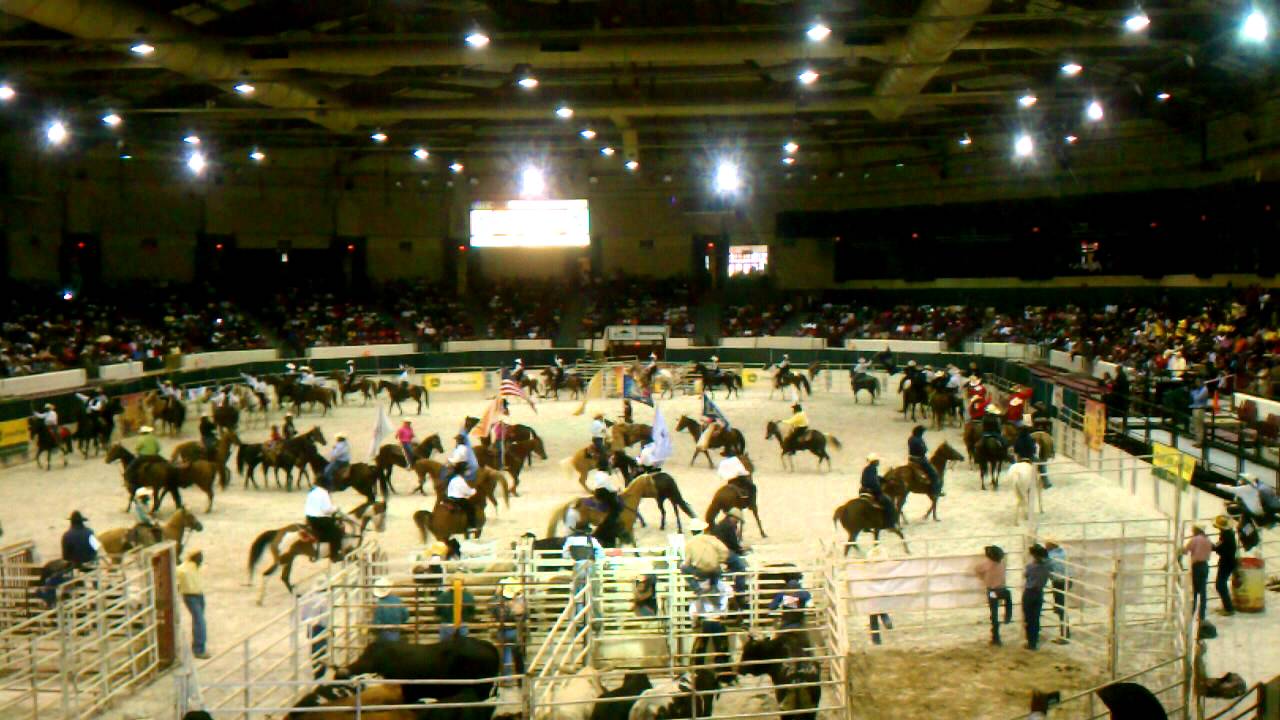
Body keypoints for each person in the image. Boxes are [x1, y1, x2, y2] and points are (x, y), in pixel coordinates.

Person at [689, 578, 733, 676]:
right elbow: (729, 600)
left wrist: (694, 621)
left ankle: (698, 671)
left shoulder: (701, 586)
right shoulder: (724, 586)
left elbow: (694, 605)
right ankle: (723, 672)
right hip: (715, 620)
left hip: (707, 620)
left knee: (702, 648)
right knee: (721, 648)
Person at [711, 508, 751, 606]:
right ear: (733, 517)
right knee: (741, 568)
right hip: (723, 552)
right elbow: (733, 544)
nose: (737, 522)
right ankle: (740, 594)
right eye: (737, 520)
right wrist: (741, 550)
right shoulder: (729, 526)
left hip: (717, 551)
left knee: (734, 566)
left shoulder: (722, 524)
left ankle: (731, 584)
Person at [973, 545, 1012, 645]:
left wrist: (983, 578)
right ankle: (1008, 615)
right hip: (1002, 590)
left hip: (993, 592)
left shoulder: (986, 564)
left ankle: (996, 637)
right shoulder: (1002, 563)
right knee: (1008, 597)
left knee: (994, 613)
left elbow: (977, 569)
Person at [682, 519, 730, 592]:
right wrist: (720, 561)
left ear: (692, 532)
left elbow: (687, 561)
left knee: (684, 568)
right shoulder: (712, 539)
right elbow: (724, 550)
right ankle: (714, 586)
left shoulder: (690, 543)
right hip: (715, 570)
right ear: (703, 530)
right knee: (715, 568)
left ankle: (696, 588)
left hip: (701, 572)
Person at [177, 550, 209, 659]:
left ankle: (198, 646)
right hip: (193, 595)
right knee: (200, 621)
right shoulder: (188, 568)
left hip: (194, 595)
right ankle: (199, 649)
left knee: (198, 621)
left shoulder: (185, 567)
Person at [492, 578, 527, 675]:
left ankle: (507, 678)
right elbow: (526, 614)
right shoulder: (520, 599)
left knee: (506, 655)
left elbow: (494, 613)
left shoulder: (498, 600)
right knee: (519, 655)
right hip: (517, 630)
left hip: (503, 630)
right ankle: (521, 678)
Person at [304, 479, 344, 562]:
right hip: (319, 519)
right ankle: (334, 555)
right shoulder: (324, 493)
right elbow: (327, 509)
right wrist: (336, 508)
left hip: (309, 518)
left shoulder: (312, 491)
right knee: (337, 532)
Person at [298, 587, 330, 678]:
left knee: (314, 650)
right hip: (321, 627)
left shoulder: (309, 598)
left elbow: (303, 616)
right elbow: (325, 618)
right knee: (321, 650)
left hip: (311, 626)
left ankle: (316, 670)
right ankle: (320, 672)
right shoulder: (324, 600)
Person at [1183, 525, 1213, 621]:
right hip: (1205, 566)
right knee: (1203, 591)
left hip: (1196, 566)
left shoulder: (1195, 539)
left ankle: (1192, 611)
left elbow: (1185, 550)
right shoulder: (1208, 540)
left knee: (1195, 591)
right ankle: (1202, 615)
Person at [1023, 544, 1050, 650]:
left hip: (1029, 593)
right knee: (1036, 617)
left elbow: (1025, 575)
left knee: (1029, 618)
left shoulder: (1030, 567)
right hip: (1039, 593)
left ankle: (1031, 642)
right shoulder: (1046, 567)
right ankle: (1034, 639)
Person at [434, 576, 477, 640]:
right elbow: (472, 613)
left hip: (446, 626)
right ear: (463, 583)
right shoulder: (468, 596)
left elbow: (437, 613)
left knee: (445, 647)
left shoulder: (443, 596)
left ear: (451, 583)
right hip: (462, 626)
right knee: (461, 647)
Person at [860, 453, 896, 528]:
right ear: (874, 461)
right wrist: (879, 490)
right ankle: (889, 524)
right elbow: (873, 481)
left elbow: (876, 477)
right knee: (888, 502)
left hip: (863, 490)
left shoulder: (867, 469)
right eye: (877, 461)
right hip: (872, 491)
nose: (878, 462)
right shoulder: (873, 469)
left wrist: (884, 480)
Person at [1045, 538, 1070, 643]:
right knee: (1061, 606)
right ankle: (1065, 633)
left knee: (1060, 608)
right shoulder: (1063, 552)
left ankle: (1064, 635)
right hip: (1067, 579)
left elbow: (1047, 569)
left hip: (1059, 581)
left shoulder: (1050, 556)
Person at [1212, 516, 1238, 616]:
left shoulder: (1226, 535)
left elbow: (1222, 548)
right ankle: (1228, 606)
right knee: (1221, 584)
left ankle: (1229, 608)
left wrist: (1214, 548)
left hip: (1226, 562)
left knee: (1220, 585)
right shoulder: (1229, 534)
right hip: (1229, 562)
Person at [1013, 421, 1051, 489]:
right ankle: (1046, 482)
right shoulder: (1030, 438)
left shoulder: (1017, 439)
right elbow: (1033, 449)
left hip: (1020, 458)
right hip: (1030, 458)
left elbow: (1015, 450)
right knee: (1042, 465)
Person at [908, 425, 943, 497]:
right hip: (920, 459)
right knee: (934, 474)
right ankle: (935, 492)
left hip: (911, 458)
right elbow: (923, 450)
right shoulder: (918, 440)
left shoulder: (911, 438)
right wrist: (924, 449)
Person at [371, 577, 409, 642]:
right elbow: (405, 616)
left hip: (384, 633)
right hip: (396, 631)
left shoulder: (380, 604)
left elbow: (377, 622)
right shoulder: (397, 600)